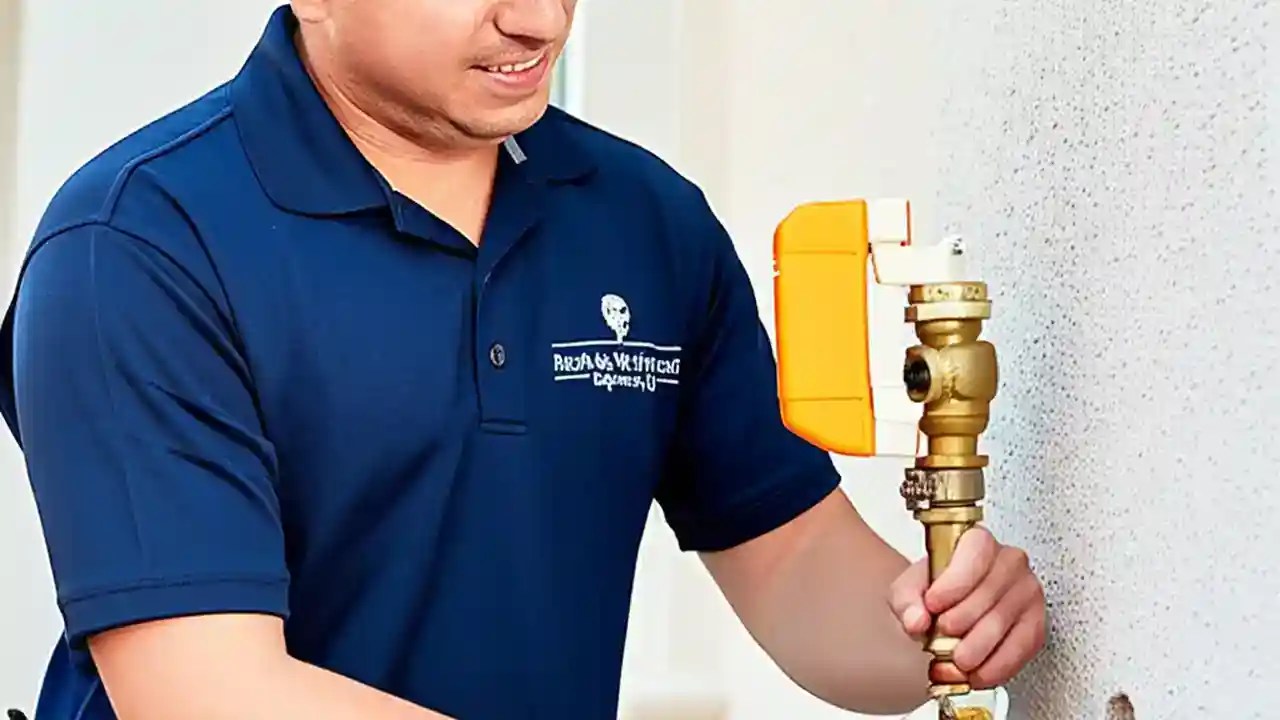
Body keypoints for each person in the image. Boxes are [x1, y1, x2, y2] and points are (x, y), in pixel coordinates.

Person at [0, 2, 1046, 719]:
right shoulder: (137, 244)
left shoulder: (644, 223)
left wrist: (935, 629)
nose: (536, 19)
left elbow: (790, 563)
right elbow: (205, 693)